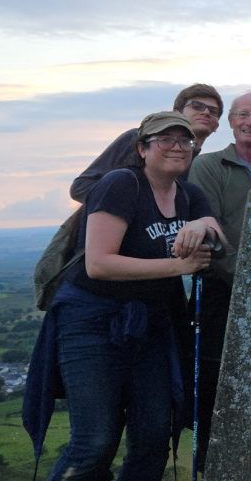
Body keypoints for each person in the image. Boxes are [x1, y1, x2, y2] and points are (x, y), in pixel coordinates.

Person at [26, 111, 222, 480]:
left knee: (152, 439)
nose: (177, 147)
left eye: (184, 141)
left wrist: (201, 223)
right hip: (91, 321)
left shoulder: (189, 195)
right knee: (95, 441)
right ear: (142, 149)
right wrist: (177, 267)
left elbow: (217, 236)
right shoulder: (120, 185)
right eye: (165, 139)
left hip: (150, 324)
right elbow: (99, 264)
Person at [187, 91, 251, 471]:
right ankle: (212, 467)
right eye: (243, 115)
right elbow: (212, 228)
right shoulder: (208, 166)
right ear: (232, 122)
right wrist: (249, 280)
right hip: (221, 291)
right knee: (214, 383)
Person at [70, 84, 224, 203]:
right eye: (197, 106)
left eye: (213, 111)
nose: (205, 112)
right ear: (176, 112)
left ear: (217, 125)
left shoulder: (201, 166)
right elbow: (81, 187)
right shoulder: (138, 139)